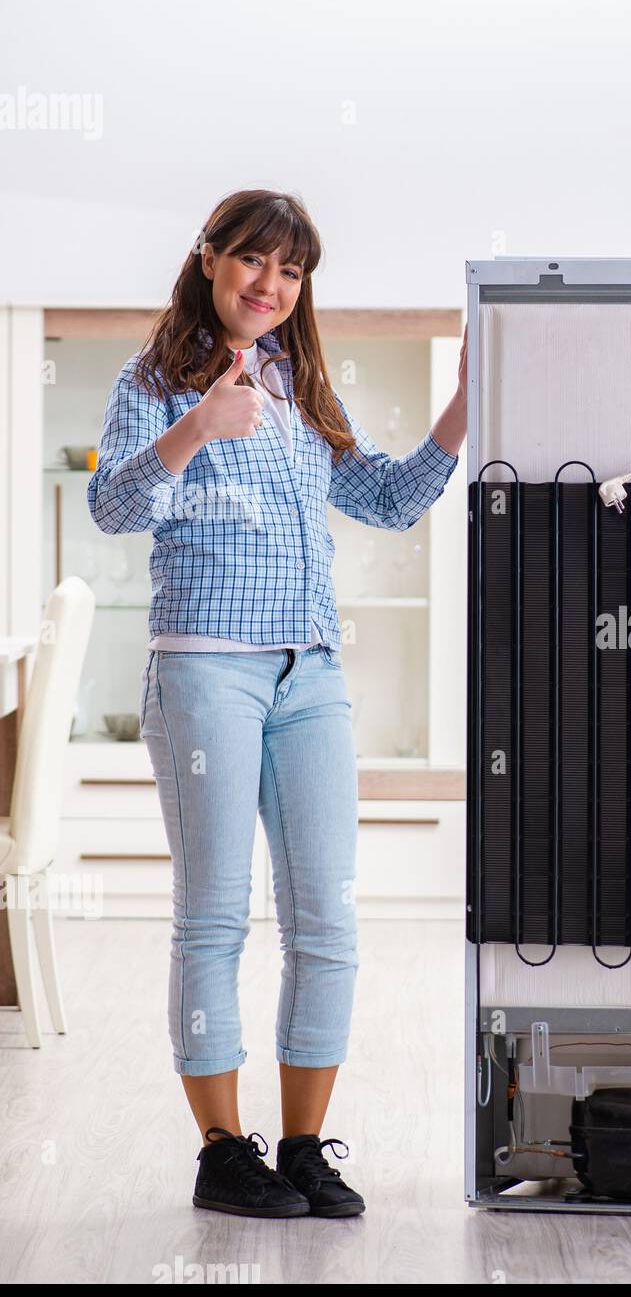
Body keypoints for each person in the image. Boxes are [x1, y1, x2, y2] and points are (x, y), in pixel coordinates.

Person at [88, 188, 467, 1218]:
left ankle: (302, 1146)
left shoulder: (302, 389)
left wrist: (465, 403)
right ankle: (221, 1151)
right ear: (209, 259)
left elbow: (387, 497)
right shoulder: (158, 381)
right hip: (206, 669)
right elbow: (112, 505)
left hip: (312, 675)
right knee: (214, 916)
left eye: (290, 269)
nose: (269, 283)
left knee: (325, 919)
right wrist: (199, 426)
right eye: (253, 260)